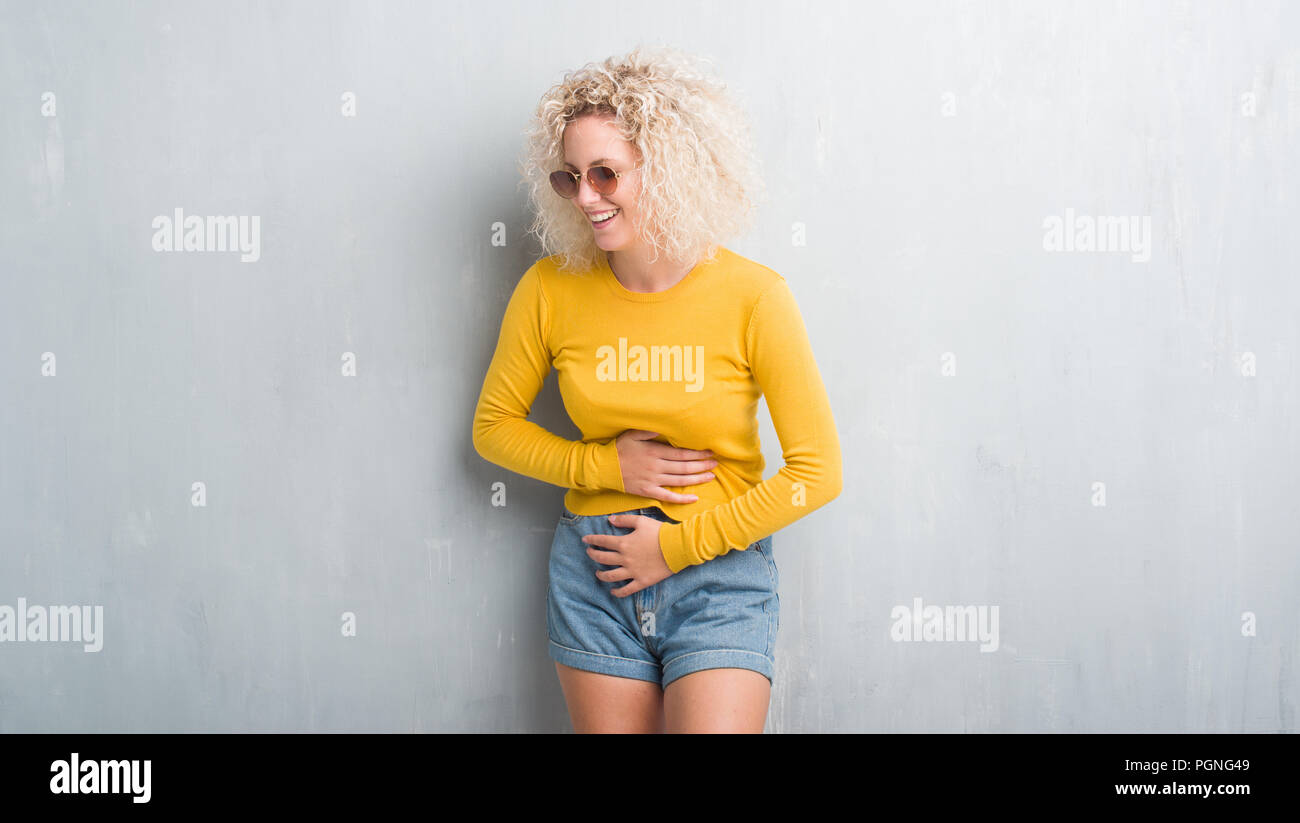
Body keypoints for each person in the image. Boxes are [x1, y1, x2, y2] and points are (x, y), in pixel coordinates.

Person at [472, 46, 842, 733]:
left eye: (606, 173)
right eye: (570, 177)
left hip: (720, 575)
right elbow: (493, 426)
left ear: (666, 166)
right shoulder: (549, 289)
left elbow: (818, 472)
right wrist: (601, 465)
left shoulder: (755, 296)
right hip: (595, 572)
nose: (586, 197)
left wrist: (675, 547)